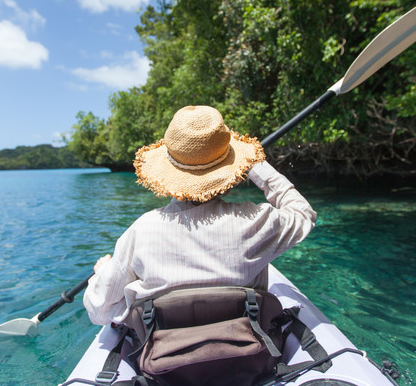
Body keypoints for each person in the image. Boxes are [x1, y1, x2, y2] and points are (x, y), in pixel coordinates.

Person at [83, 105, 316, 326]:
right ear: (234, 169)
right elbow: (303, 214)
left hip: (163, 362)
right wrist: (257, 166)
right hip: (249, 351)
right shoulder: (255, 221)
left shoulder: (141, 231)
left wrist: (103, 272)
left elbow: (99, 311)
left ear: (168, 169)